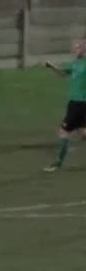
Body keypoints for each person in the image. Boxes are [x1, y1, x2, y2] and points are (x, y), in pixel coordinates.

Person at [41, 39, 86, 172]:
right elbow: (62, 73)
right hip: (77, 103)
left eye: (79, 48)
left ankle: (57, 164)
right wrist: (52, 67)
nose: (76, 50)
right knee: (83, 132)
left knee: (63, 132)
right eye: (75, 48)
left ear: (84, 50)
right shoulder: (74, 64)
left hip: (78, 104)